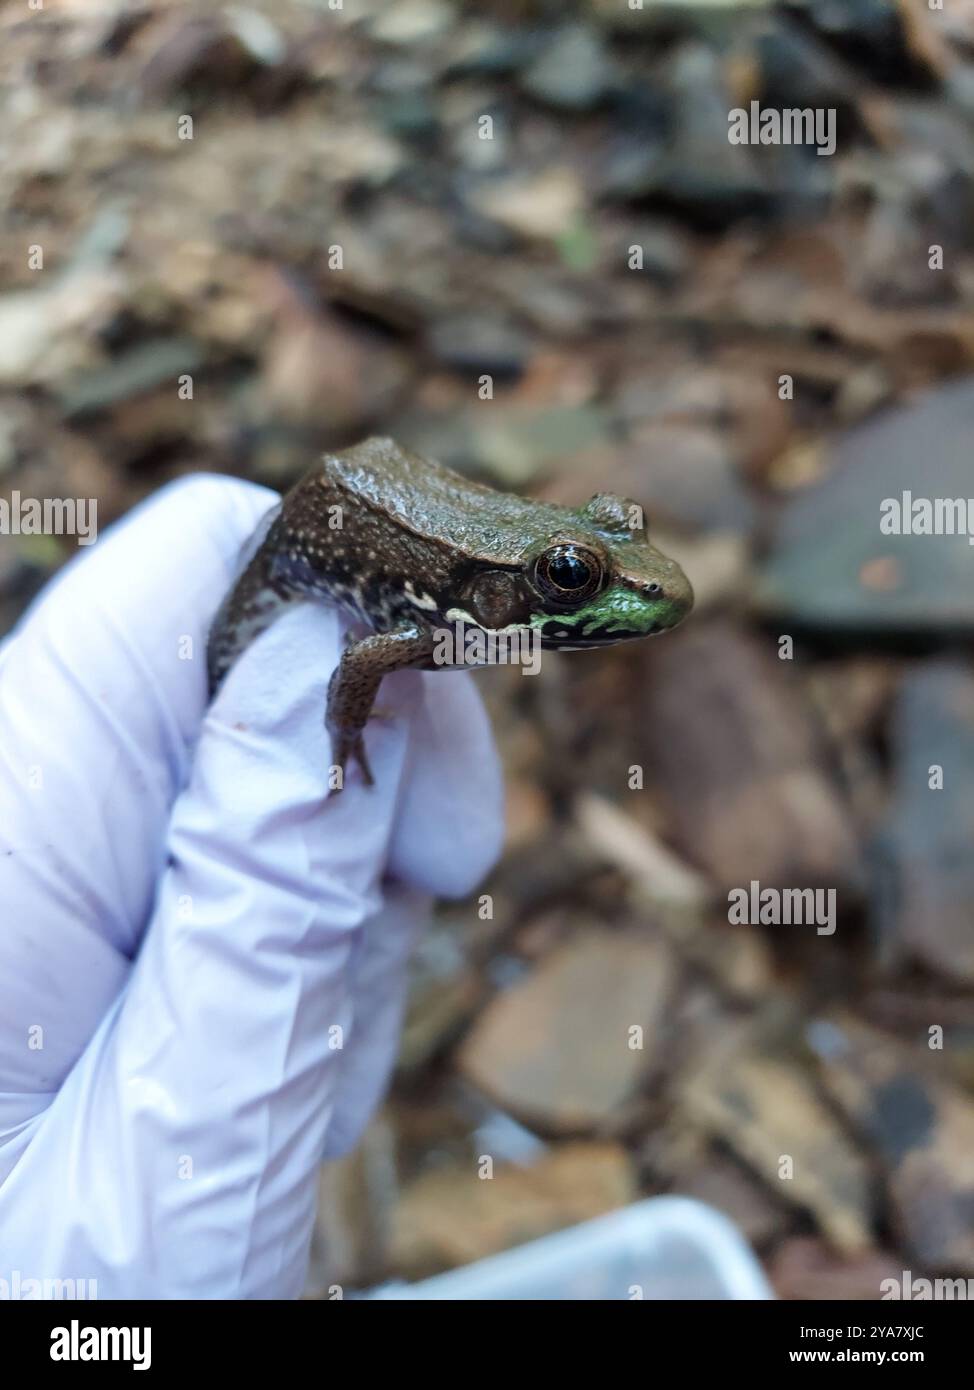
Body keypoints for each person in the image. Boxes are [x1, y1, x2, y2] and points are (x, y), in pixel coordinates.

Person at [0, 474, 503, 1299]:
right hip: (285, 567)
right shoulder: (431, 622)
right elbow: (366, 651)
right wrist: (341, 728)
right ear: (492, 588)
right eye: (566, 577)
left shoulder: (462, 617)